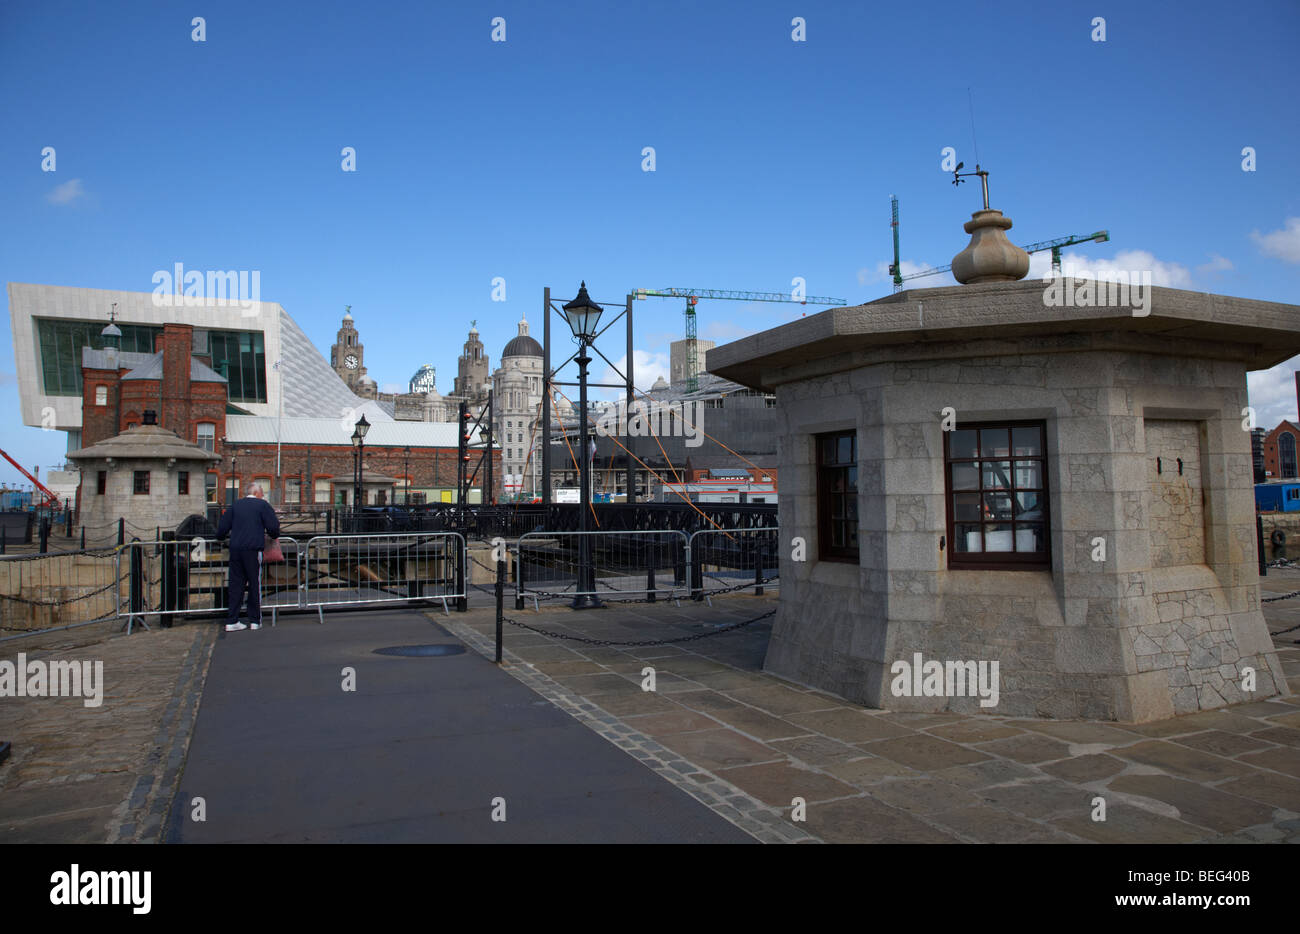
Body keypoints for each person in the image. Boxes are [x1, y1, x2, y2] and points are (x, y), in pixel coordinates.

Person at [216, 482, 281, 632]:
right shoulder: (262, 506)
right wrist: (273, 535)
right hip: (253, 548)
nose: (264, 495)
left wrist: (220, 537)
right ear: (257, 493)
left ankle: (232, 620)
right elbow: (273, 528)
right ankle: (254, 620)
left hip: (236, 549)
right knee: (254, 584)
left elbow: (222, 529)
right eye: (262, 493)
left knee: (236, 585)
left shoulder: (235, 505)